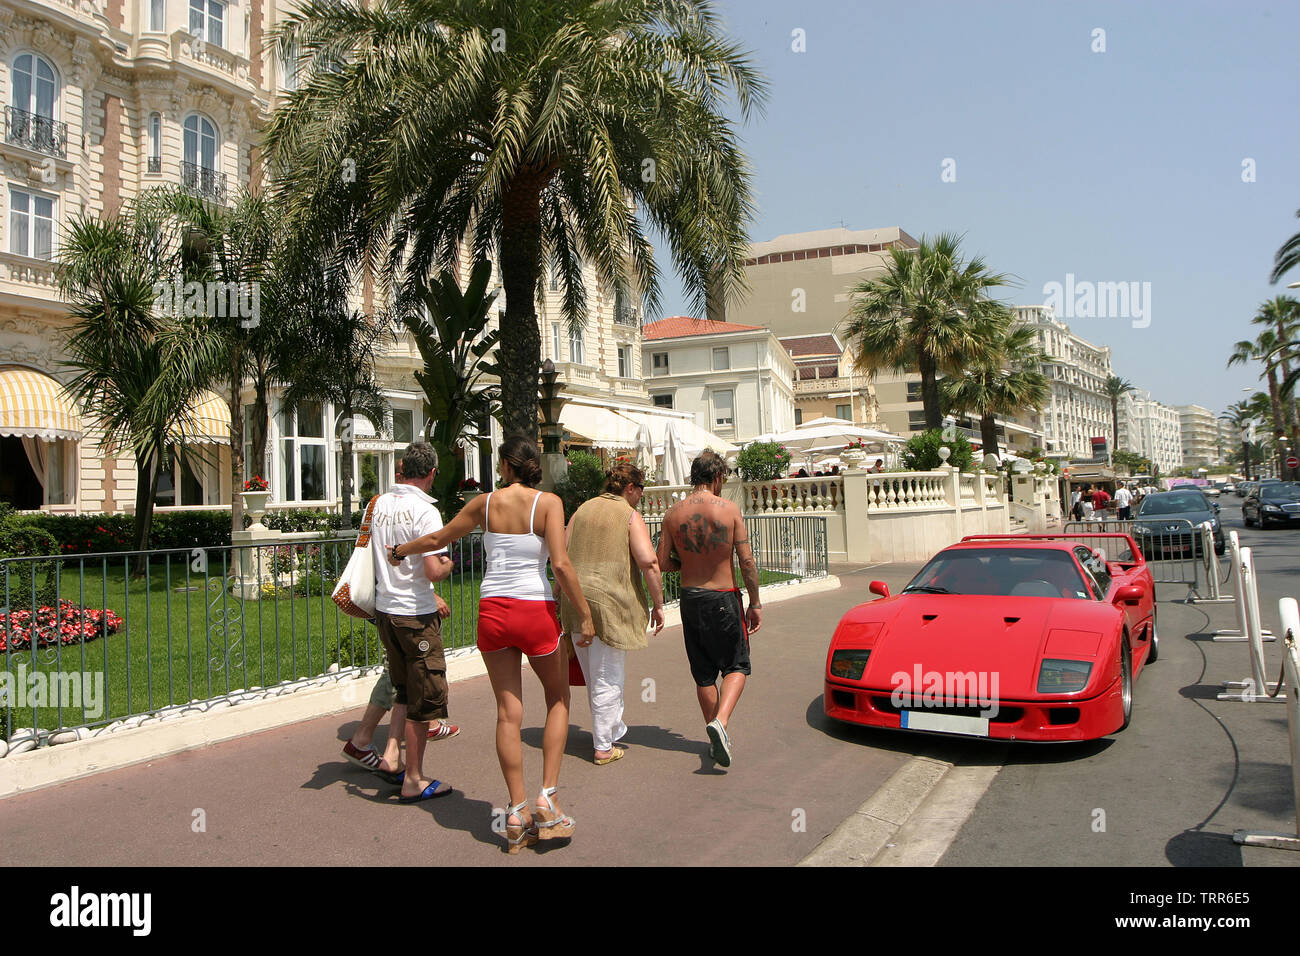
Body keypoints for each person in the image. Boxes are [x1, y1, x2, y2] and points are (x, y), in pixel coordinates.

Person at [392, 436, 595, 853]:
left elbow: (436, 540)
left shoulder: (484, 504)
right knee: (558, 699)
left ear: (505, 464)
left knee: (508, 712)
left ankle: (517, 811)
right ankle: (548, 797)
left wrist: (400, 550)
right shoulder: (548, 504)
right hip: (533, 611)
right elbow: (559, 564)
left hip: (493, 613)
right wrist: (586, 615)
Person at [656, 449, 762, 769]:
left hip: (691, 599)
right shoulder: (728, 509)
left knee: (704, 674)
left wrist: (686, 562)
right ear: (717, 477)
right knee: (736, 666)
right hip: (723, 598)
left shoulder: (673, 513)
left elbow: (661, 562)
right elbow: (746, 561)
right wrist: (755, 602)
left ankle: (716, 737)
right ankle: (722, 722)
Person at [559, 462, 665, 765]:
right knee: (608, 674)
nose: (641, 497)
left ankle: (608, 729)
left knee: (594, 674)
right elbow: (649, 562)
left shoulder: (582, 509)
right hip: (609, 603)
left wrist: (558, 595)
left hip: (574, 599)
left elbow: (562, 553)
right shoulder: (629, 515)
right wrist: (658, 604)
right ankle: (604, 745)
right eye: (641, 490)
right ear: (630, 488)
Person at [366, 442, 455, 802]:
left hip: (386, 610)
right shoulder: (426, 511)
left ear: (403, 468)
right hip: (415, 614)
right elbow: (434, 568)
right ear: (431, 473)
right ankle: (414, 779)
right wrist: (449, 565)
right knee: (424, 697)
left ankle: (393, 758)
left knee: (403, 688)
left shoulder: (379, 505)